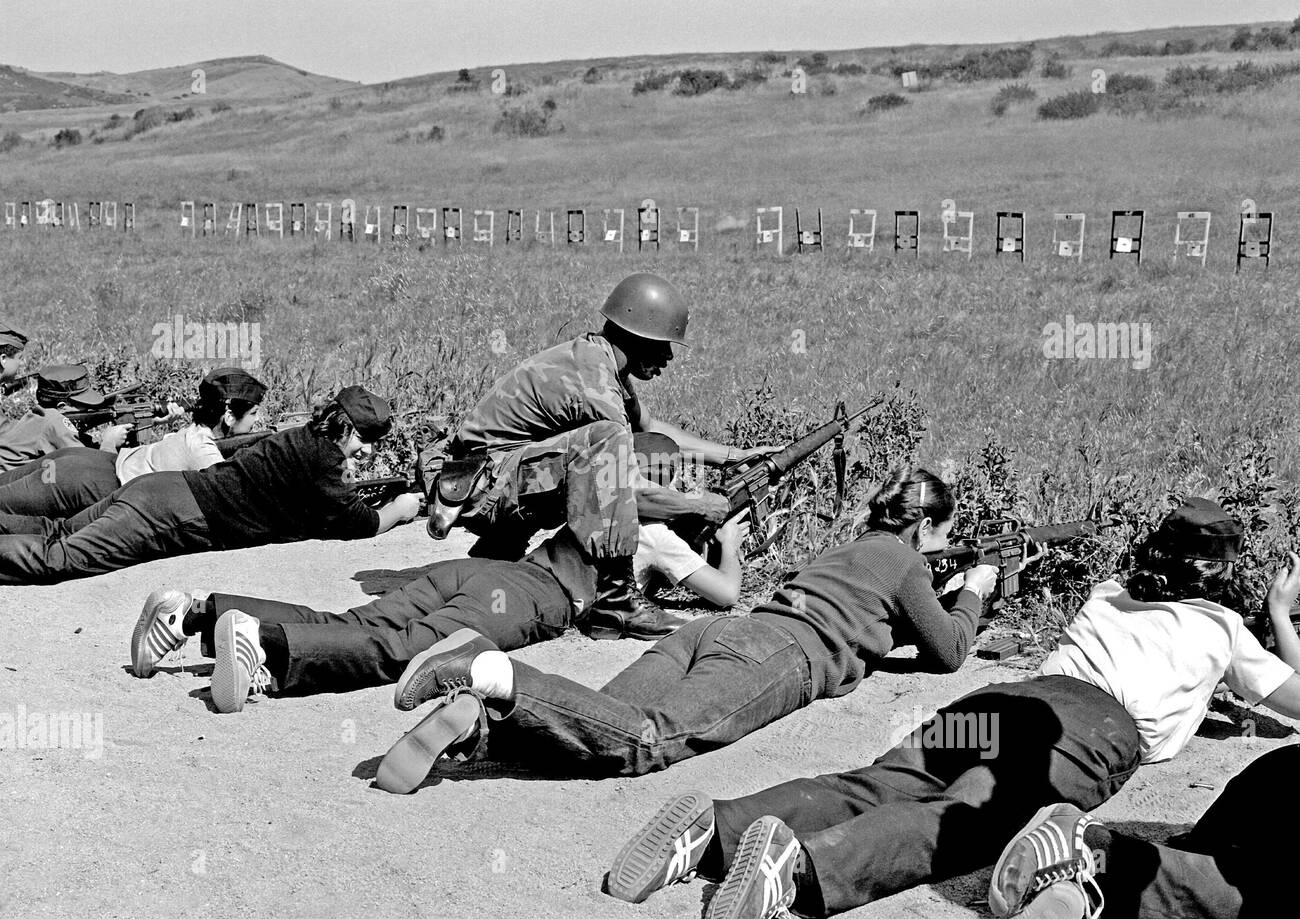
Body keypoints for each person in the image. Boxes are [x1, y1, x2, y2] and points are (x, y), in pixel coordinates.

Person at [596, 498, 1300, 919]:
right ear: (1221, 574)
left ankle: (714, 825)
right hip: (1090, 733)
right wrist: (1275, 614)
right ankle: (801, 869)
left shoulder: (1111, 592)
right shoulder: (1223, 627)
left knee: (880, 781)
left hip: (1007, 698)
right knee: (960, 820)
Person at [372, 467, 998, 794]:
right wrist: (973, 595)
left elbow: (874, 610)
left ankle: (481, 722)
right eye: (942, 535)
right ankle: (491, 671)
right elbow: (948, 652)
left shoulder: (853, 550)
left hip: (717, 634)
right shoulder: (907, 558)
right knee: (646, 743)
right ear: (923, 530)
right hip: (780, 656)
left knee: (600, 721)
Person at [128, 436, 754, 713]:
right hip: (524, 601)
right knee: (397, 651)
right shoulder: (660, 535)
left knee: (358, 622)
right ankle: (261, 652)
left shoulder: (598, 506)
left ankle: (196, 612)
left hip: (480, 572)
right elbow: (725, 595)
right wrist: (730, 542)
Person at [425, 272, 775, 639]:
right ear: (636, 337)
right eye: (662, 344)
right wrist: (699, 506)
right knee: (606, 444)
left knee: (646, 448)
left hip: (495, 476)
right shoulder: (595, 382)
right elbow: (627, 490)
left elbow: (651, 430)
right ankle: (614, 603)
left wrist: (733, 455)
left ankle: (496, 560)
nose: (669, 357)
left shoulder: (603, 360)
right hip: (482, 491)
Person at [983, 553, 1300, 919]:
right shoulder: (1226, 628)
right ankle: (1097, 856)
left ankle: (1089, 895)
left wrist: (1278, 614)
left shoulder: (1106, 594)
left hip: (1278, 780)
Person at [0, 385, 422, 585]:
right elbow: (359, 523)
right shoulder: (325, 459)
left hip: (158, 489)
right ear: (345, 428)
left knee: (58, 532)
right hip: (169, 514)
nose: (366, 452)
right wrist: (400, 509)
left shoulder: (301, 437)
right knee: (60, 560)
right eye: (365, 441)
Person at [0, 368, 266, 517]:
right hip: (90, 477)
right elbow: (231, 502)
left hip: (81, 466)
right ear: (229, 415)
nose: (257, 420)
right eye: (254, 413)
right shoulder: (200, 449)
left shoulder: (188, 434)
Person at [0, 358, 130, 472]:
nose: (89, 407)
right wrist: (109, 442)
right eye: (83, 403)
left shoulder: (39, 415)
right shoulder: (55, 422)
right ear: (62, 406)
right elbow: (94, 471)